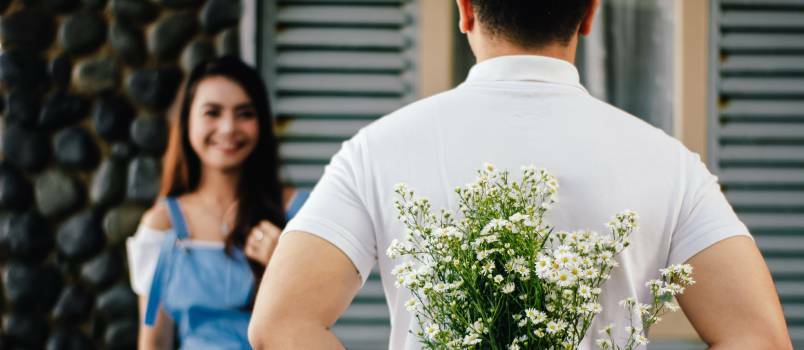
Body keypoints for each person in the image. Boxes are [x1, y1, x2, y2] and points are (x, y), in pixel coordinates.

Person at [247, 1, 792, 349]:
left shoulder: (376, 149)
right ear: (588, 15)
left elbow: (279, 326)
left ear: (464, 11)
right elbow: (759, 338)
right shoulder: (669, 163)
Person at [126, 56, 307, 349]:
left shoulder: (297, 211)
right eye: (212, 112)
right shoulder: (162, 225)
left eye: (244, 113)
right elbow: (153, 337)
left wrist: (282, 267)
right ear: (186, 122)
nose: (228, 128)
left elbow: (317, 324)